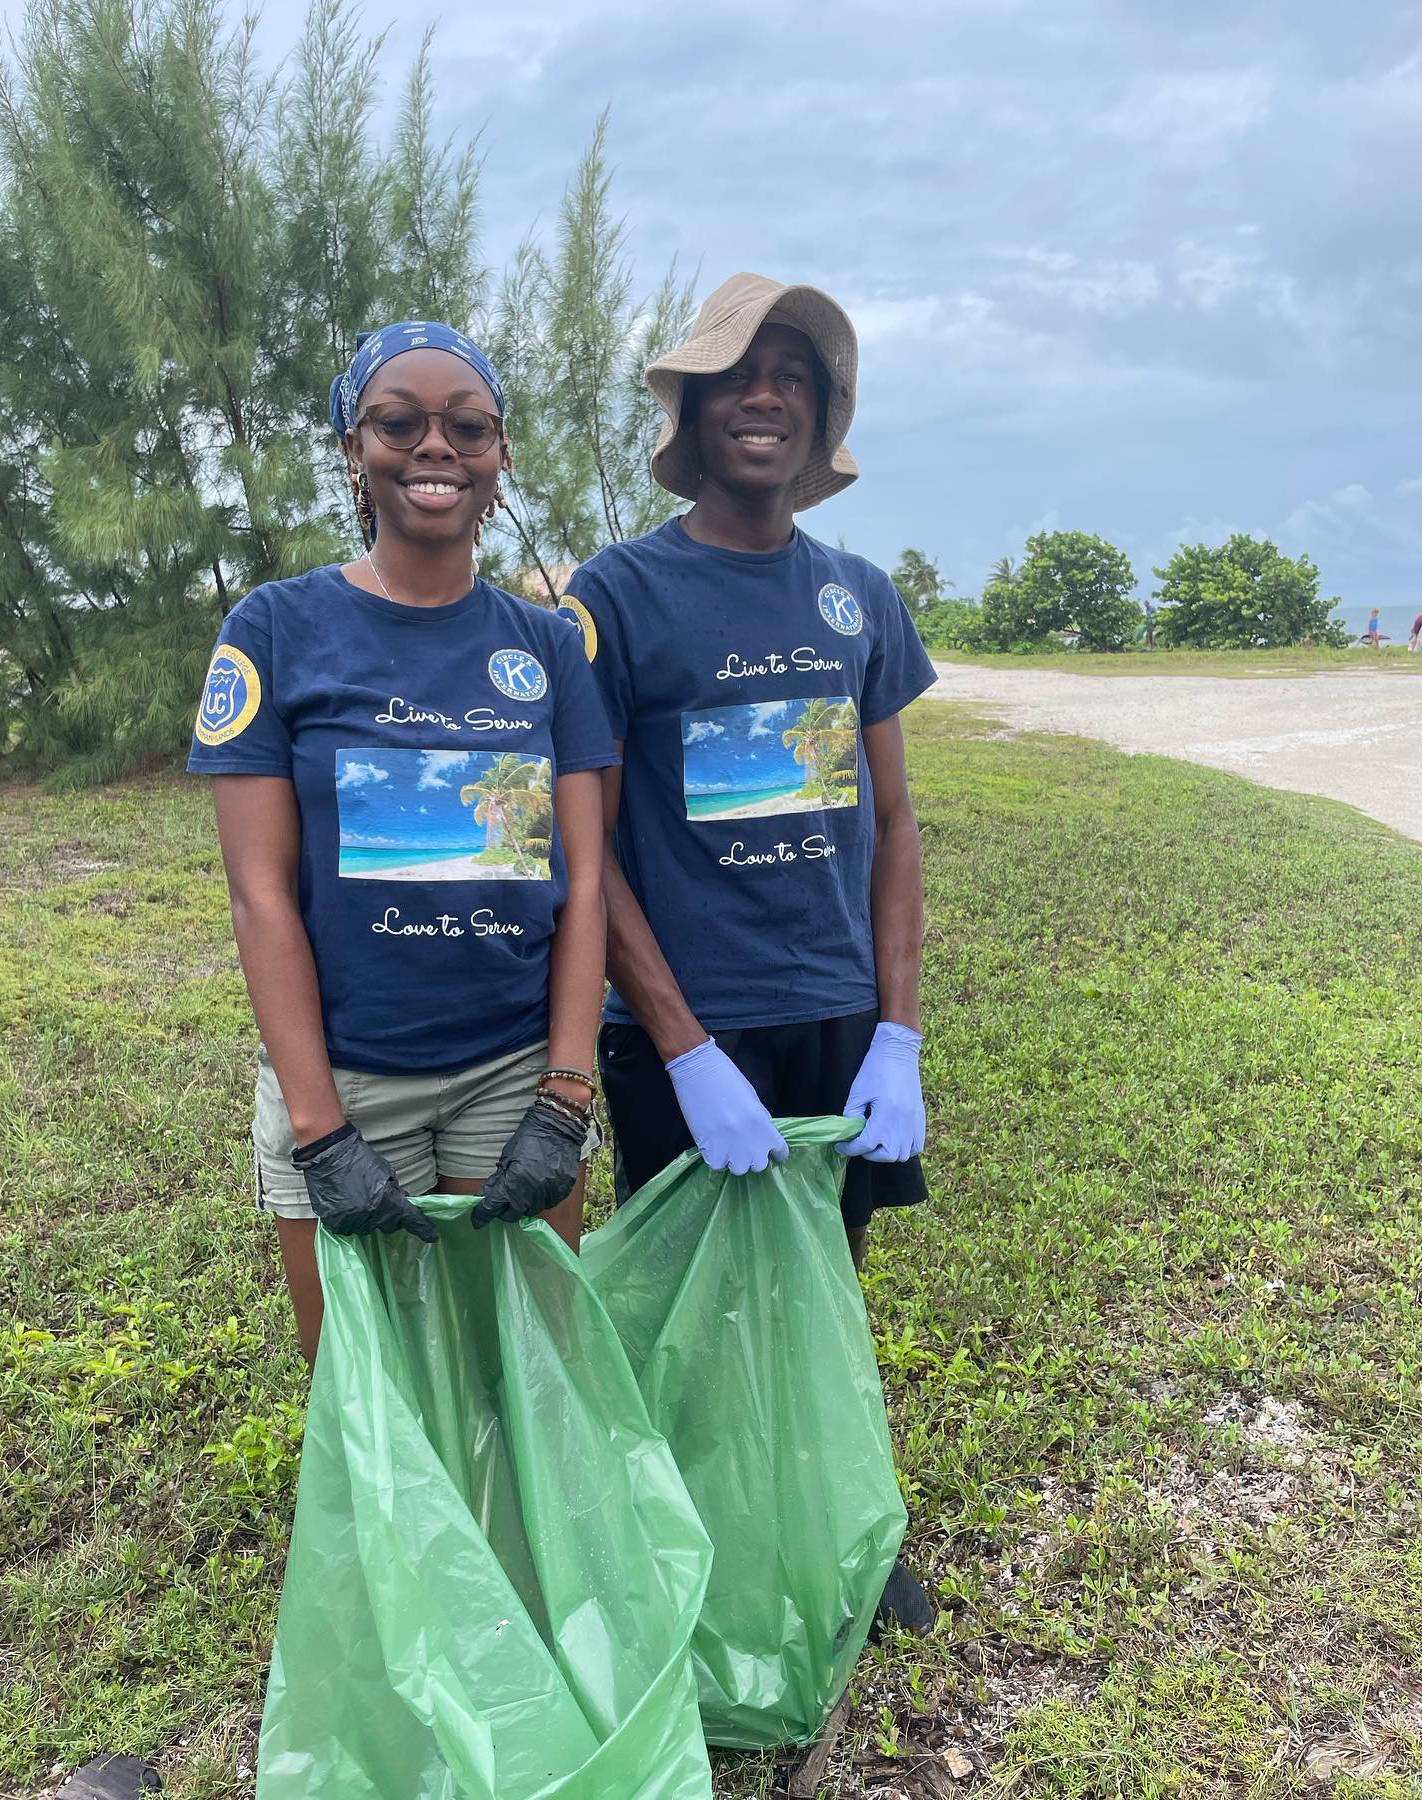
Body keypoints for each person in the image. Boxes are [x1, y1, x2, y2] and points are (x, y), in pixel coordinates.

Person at [561, 272, 937, 1633]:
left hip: (836, 1017)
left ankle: (836, 1530)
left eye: (795, 371)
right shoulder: (619, 597)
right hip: (689, 1033)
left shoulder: (859, 600)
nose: (766, 390)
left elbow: (892, 825)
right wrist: (680, 1043)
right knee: (701, 1308)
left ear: (823, 416)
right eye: (738, 371)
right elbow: (585, 851)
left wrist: (897, 1028)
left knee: (826, 1287)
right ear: (695, 410)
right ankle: (701, 1558)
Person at [188, 321, 618, 1369]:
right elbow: (261, 898)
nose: (437, 447)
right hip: (344, 1077)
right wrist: (319, 1127)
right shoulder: (274, 629)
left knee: (528, 1372)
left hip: (512, 1071)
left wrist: (565, 1095)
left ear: (500, 455)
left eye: (467, 426)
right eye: (399, 422)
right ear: (354, 448)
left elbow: (587, 883)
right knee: (363, 1388)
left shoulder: (548, 647)